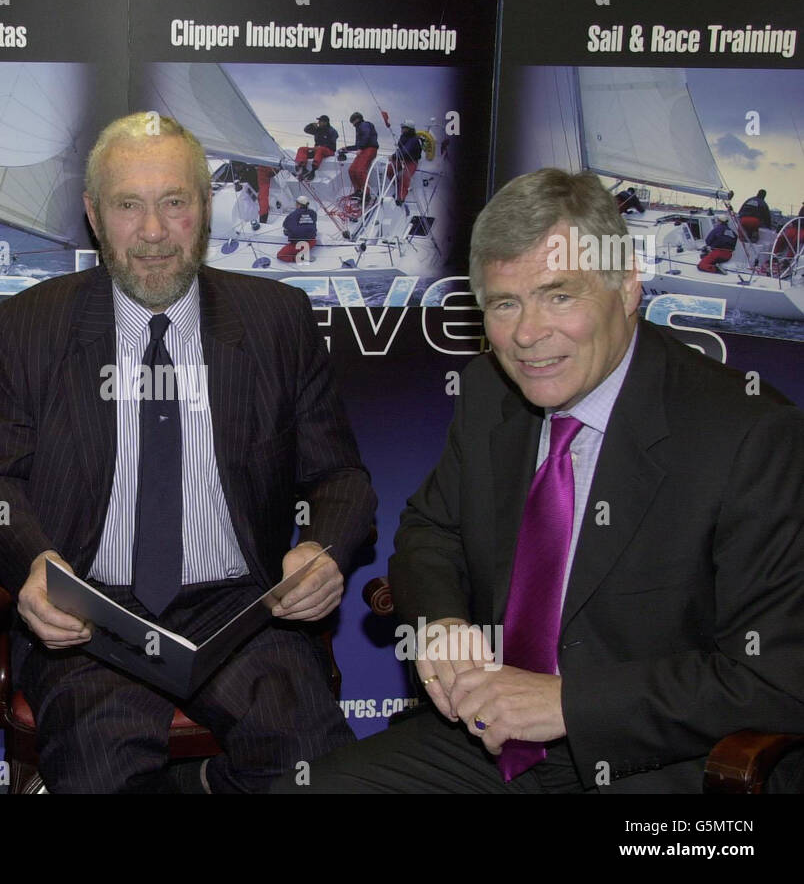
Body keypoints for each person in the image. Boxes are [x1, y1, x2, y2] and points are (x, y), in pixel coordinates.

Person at [284, 168, 804, 793]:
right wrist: (442, 625)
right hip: (487, 744)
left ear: (628, 287)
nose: (528, 335)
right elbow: (431, 532)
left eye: (559, 294)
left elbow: (775, 678)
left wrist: (566, 704)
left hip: (664, 764)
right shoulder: (488, 393)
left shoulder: (751, 436)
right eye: (505, 303)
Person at [0, 113, 375, 793]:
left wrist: (325, 547)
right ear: (95, 214)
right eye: (129, 205)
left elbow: (340, 476)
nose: (152, 232)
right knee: (96, 775)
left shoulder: (277, 322)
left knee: (321, 774)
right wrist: (33, 561)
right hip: (92, 618)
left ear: (205, 211)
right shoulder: (31, 327)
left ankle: (203, 783)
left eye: (175, 203)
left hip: (242, 613)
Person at [339, 111, 379, 196]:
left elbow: (366, 136)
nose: (352, 124)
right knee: (352, 170)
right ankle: (358, 191)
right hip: (363, 150)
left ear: (357, 119)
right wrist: (346, 148)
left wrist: (361, 148)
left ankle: (366, 193)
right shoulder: (359, 128)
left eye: (353, 121)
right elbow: (358, 145)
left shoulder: (364, 125)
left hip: (370, 149)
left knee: (360, 171)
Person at [389, 120, 423, 207]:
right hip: (401, 159)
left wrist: (393, 156)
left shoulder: (414, 140)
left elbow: (405, 151)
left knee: (405, 177)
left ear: (409, 129)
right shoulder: (403, 137)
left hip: (411, 161)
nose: (402, 129)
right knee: (390, 170)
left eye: (403, 128)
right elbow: (401, 150)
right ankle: (398, 187)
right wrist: (396, 157)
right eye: (402, 127)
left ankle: (401, 197)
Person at [295, 115, 338, 181]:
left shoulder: (332, 131)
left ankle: (313, 171)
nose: (318, 122)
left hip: (329, 150)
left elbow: (333, 144)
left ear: (325, 122)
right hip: (317, 149)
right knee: (302, 149)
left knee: (320, 149)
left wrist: (320, 147)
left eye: (320, 121)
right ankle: (303, 169)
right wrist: (311, 125)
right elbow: (306, 130)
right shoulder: (317, 130)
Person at [279, 195, 318, 263]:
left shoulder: (292, 215)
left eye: (296, 203)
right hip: (312, 242)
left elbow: (285, 225)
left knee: (280, 255)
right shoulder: (313, 213)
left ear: (299, 205)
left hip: (301, 245)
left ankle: (299, 258)